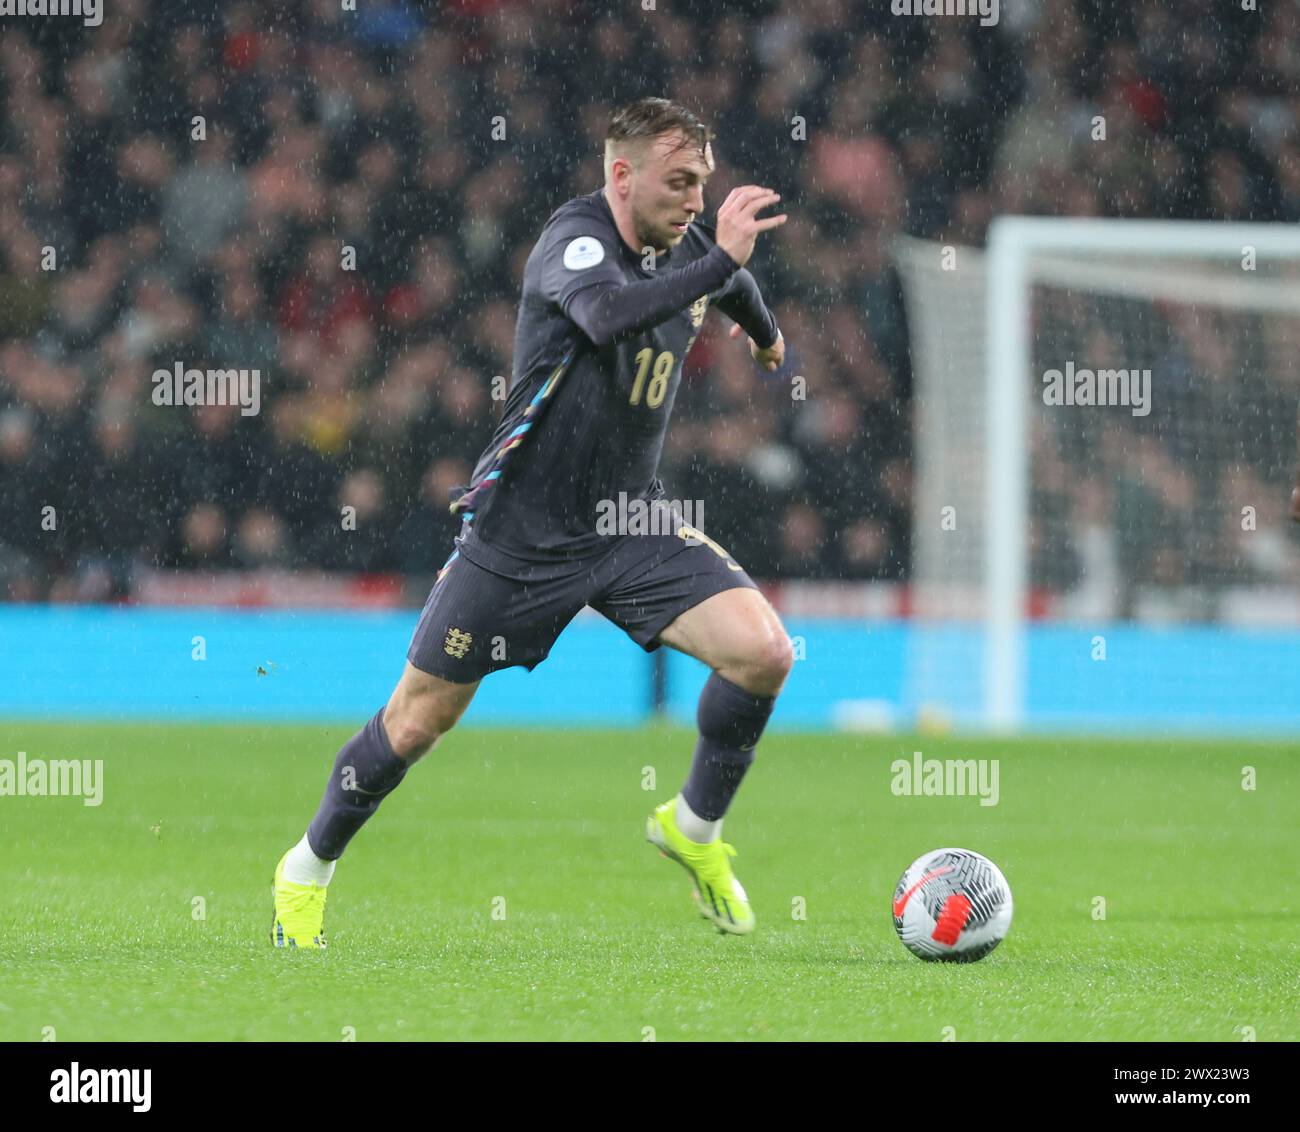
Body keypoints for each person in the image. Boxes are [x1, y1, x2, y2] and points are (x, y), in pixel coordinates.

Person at [271, 97, 792, 947]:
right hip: (520, 535)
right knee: (416, 722)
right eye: (678, 181)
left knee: (765, 653)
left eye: (703, 181)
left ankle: (692, 829)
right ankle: (307, 867)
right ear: (621, 176)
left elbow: (732, 281)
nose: (697, 200)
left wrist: (766, 339)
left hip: (628, 526)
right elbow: (607, 316)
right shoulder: (575, 240)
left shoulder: (691, 246)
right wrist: (720, 263)